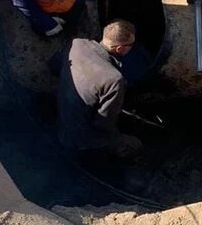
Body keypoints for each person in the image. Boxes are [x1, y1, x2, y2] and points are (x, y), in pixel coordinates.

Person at [57, 19, 142, 161]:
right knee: (134, 145)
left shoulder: (77, 44)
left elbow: (55, 65)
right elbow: (103, 123)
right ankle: (102, 163)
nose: (132, 47)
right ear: (119, 49)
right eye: (131, 45)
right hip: (78, 136)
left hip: (61, 113)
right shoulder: (114, 79)